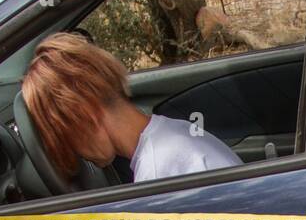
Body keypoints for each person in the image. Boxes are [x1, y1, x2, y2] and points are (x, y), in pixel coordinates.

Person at [21, 32, 242, 184]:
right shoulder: (171, 133)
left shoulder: (159, 173)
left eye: (65, 135)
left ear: (83, 112)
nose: (75, 153)